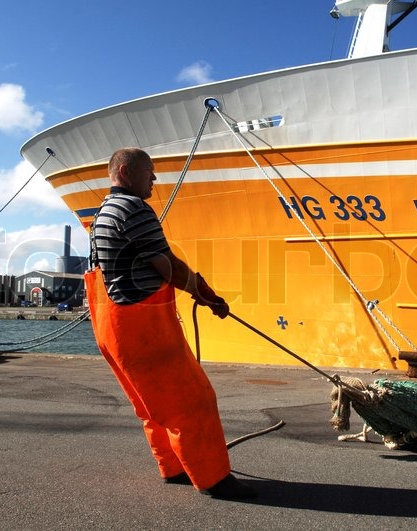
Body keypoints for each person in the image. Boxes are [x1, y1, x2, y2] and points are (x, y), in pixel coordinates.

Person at [84, 147, 256, 499]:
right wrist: (206, 294)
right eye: (149, 172)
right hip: (141, 327)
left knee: (151, 406)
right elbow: (166, 265)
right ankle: (214, 480)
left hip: (111, 325)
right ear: (126, 171)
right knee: (193, 401)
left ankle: (174, 467)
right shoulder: (133, 208)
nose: (155, 179)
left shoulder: (102, 213)